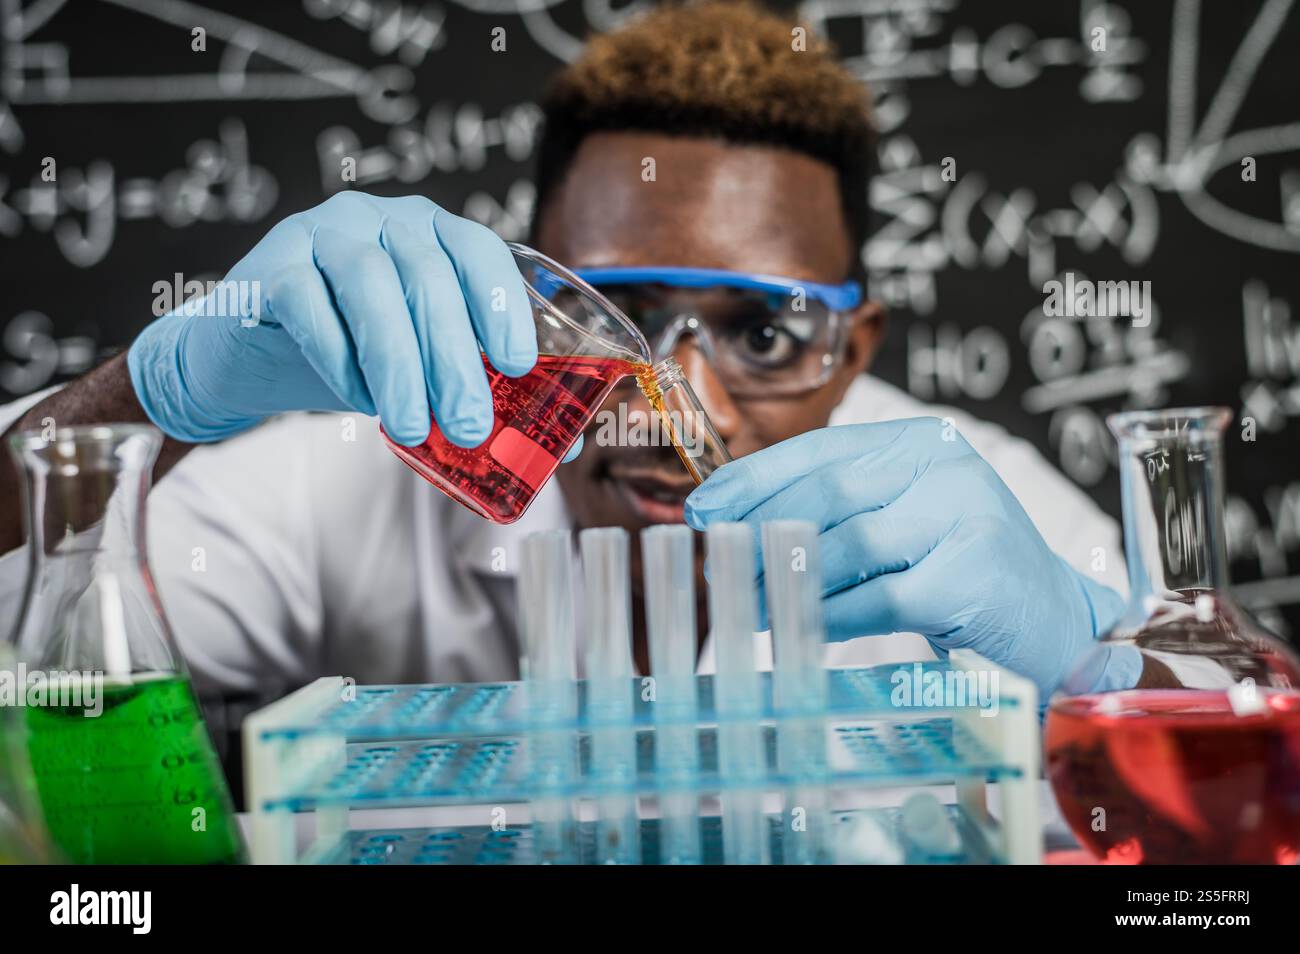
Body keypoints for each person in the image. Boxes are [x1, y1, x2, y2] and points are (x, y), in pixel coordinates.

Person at [0, 2, 1127, 768]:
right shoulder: (360, 481)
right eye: (618, 322)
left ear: (854, 346)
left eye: (768, 336)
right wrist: (155, 397)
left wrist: (1100, 678)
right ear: (519, 301)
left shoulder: (967, 519)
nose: (680, 404)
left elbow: (1224, 813)